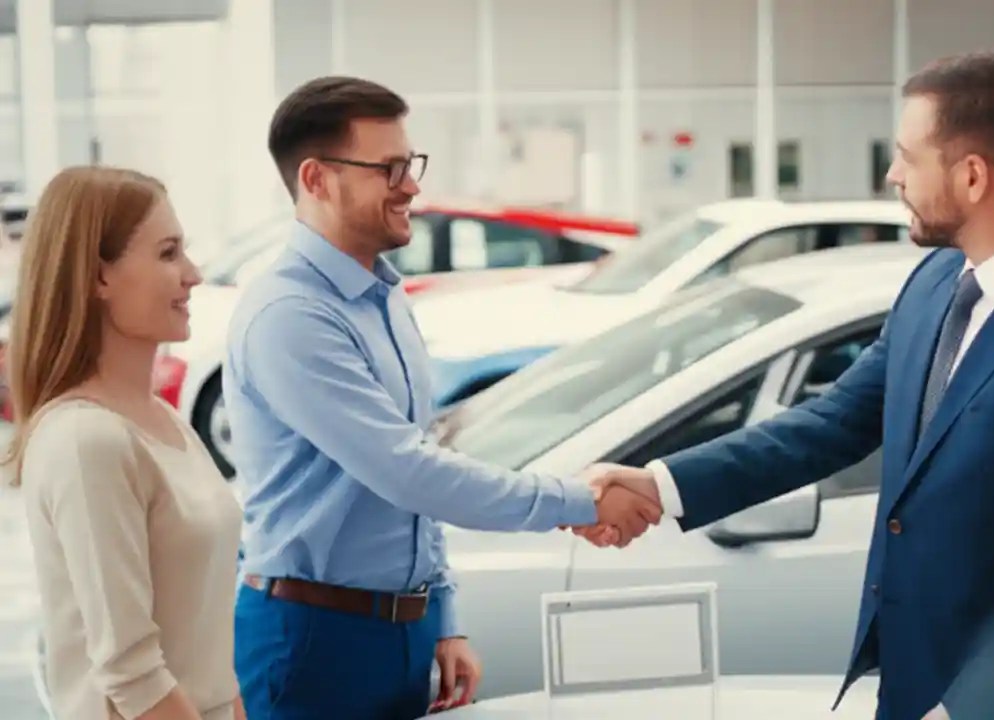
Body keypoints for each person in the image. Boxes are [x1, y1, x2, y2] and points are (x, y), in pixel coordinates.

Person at [580, 52, 994, 720]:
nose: (892, 174)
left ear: (972, 176)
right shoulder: (935, 281)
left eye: (907, 157)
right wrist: (658, 485)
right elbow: (833, 422)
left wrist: (963, 712)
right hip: (906, 683)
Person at [225, 75, 659, 720]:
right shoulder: (291, 315)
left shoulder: (381, 295)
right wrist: (582, 499)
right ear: (316, 179)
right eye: (389, 169)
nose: (411, 186)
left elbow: (412, 467)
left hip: (401, 628)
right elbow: (407, 472)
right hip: (315, 637)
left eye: (411, 164)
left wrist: (440, 613)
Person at [5, 167, 245, 720]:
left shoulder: (164, 420)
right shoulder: (86, 441)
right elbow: (133, 675)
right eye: (168, 254)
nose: (193, 274)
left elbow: (209, 652)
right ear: (98, 277)